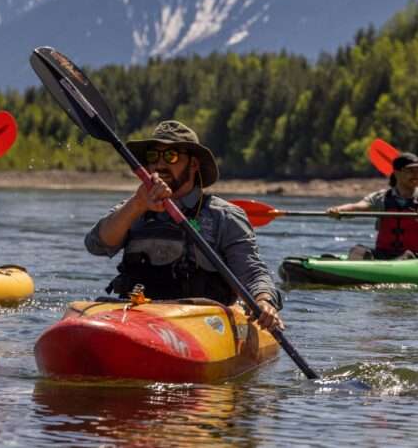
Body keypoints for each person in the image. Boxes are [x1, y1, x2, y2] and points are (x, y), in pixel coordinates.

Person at [84, 120, 284, 332]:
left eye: (171, 156)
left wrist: (264, 301)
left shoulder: (224, 216)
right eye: (153, 156)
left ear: (194, 164)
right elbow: (96, 244)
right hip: (137, 320)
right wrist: (137, 204)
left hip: (201, 326)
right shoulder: (134, 206)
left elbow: (251, 272)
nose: (160, 165)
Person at [326, 152, 418, 260]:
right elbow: (357, 207)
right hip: (383, 254)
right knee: (357, 251)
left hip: (415, 257)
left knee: (406, 256)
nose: (416, 175)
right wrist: (339, 210)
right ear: (397, 173)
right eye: (411, 171)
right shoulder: (382, 198)